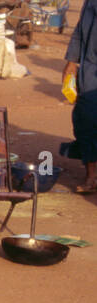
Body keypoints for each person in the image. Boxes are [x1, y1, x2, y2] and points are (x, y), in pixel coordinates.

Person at [63, 0, 97, 194]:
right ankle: (91, 175)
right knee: (86, 120)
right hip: (90, 71)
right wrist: (71, 62)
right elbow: (78, 33)